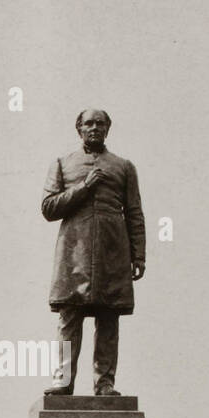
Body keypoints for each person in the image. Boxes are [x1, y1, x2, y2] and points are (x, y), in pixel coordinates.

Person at [41, 109, 145, 395]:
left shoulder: (124, 167)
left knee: (108, 317)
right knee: (69, 317)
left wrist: (139, 255)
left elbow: (134, 212)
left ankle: (105, 384)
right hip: (74, 252)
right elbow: (48, 208)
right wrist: (84, 187)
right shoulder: (62, 164)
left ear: (108, 128)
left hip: (113, 251)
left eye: (100, 123)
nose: (95, 128)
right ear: (79, 129)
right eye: (89, 123)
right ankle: (62, 382)